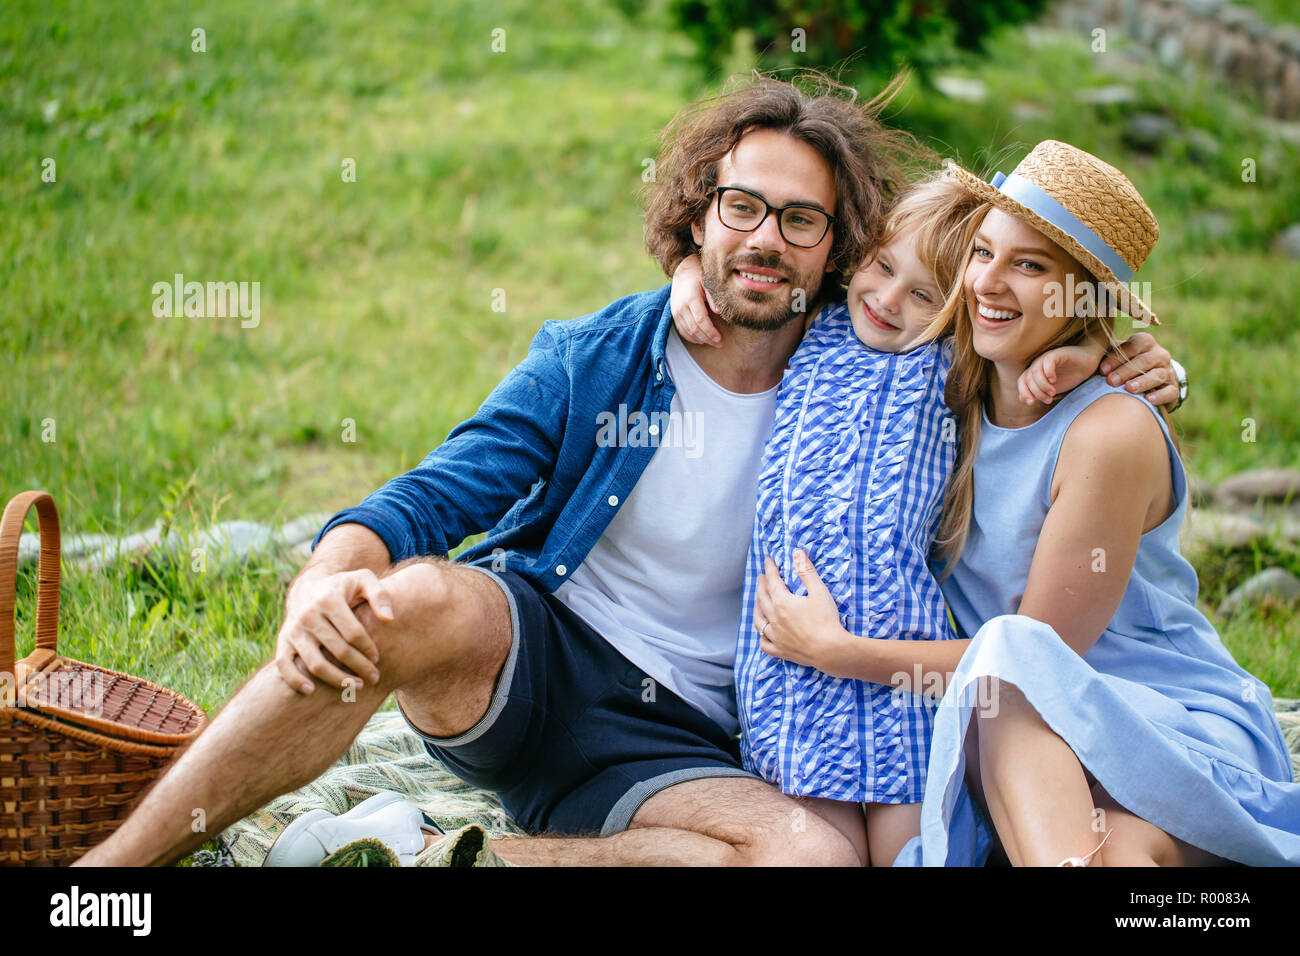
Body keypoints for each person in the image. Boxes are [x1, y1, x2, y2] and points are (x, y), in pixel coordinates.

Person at [76, 81, 1177, 867]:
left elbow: (1010, 340)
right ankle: (113, 876)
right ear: (695, 212)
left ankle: (435, 854)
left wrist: (1114, 361)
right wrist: (326, 572)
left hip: (684, 734)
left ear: (837, 247)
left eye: (802, 221)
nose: (765, 239)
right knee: (396, 597)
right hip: (539, 654)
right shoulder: (602, 354)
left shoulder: (864, 365)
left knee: (807, 858)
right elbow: (437, 492)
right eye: (742, 205)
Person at [666, 170, 1142, 866]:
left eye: (923, 295)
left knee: (917, 854)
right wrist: (686, 273)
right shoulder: (816, 324)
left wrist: (1095, 352)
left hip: (904, 685)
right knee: (819, 849)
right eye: (882, 266)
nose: (888, 300)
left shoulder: (954, 364)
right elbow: (748, 280)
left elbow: (1031, 350)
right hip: (789, 668)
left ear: (955, 312)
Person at [890, 140, 1299, 865]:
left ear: (1087, 296)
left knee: (1011, 657)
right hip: (1031, 744)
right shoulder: (945, 392)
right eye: (983, 252)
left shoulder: (1109, 431)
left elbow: (1037, 662)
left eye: (1030, 265)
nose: (988, 281)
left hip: (1162, 721)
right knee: (1117, 853)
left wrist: (833, 651)